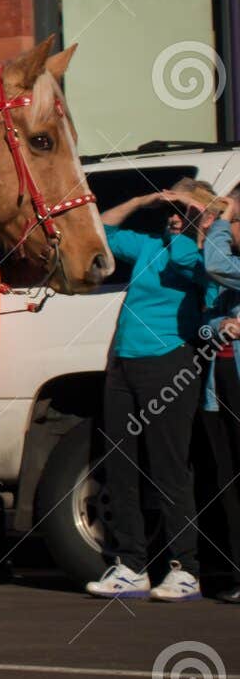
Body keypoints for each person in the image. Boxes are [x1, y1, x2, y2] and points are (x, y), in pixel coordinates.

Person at [87, 182, 218, 601]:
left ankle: (185, 568)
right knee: (121, 465)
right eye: (172, 209)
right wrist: (142, 201)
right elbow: (99, 231)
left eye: (184, 209)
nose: (174, 215)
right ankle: (130, 565)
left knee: (168, 468)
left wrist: (196, 223)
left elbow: (186, 261)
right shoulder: (149, 246)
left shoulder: (201, 258)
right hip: (125, 362)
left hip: (169, 363)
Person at [200, 185, 240, 604]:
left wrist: (224, 217)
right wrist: (221, 328)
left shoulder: (222, 261)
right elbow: (204, 326)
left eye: (230, 220)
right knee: (227, 482)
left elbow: (215, 261)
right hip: (219, 383)